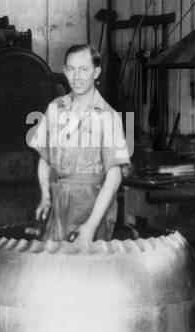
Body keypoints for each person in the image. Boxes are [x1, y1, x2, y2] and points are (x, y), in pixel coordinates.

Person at [27, 43, 130, 243]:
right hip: (58, 204)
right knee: (56, 266)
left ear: (96, 72)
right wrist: (46, 197)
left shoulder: (108, 116)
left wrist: (91, 226)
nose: (77, 76)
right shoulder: (55, 108)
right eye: (71, 69)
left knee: (89, 270)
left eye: (84, 69)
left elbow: (114, 177)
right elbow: (44, 158)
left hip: (91, 205)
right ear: (65, 71)